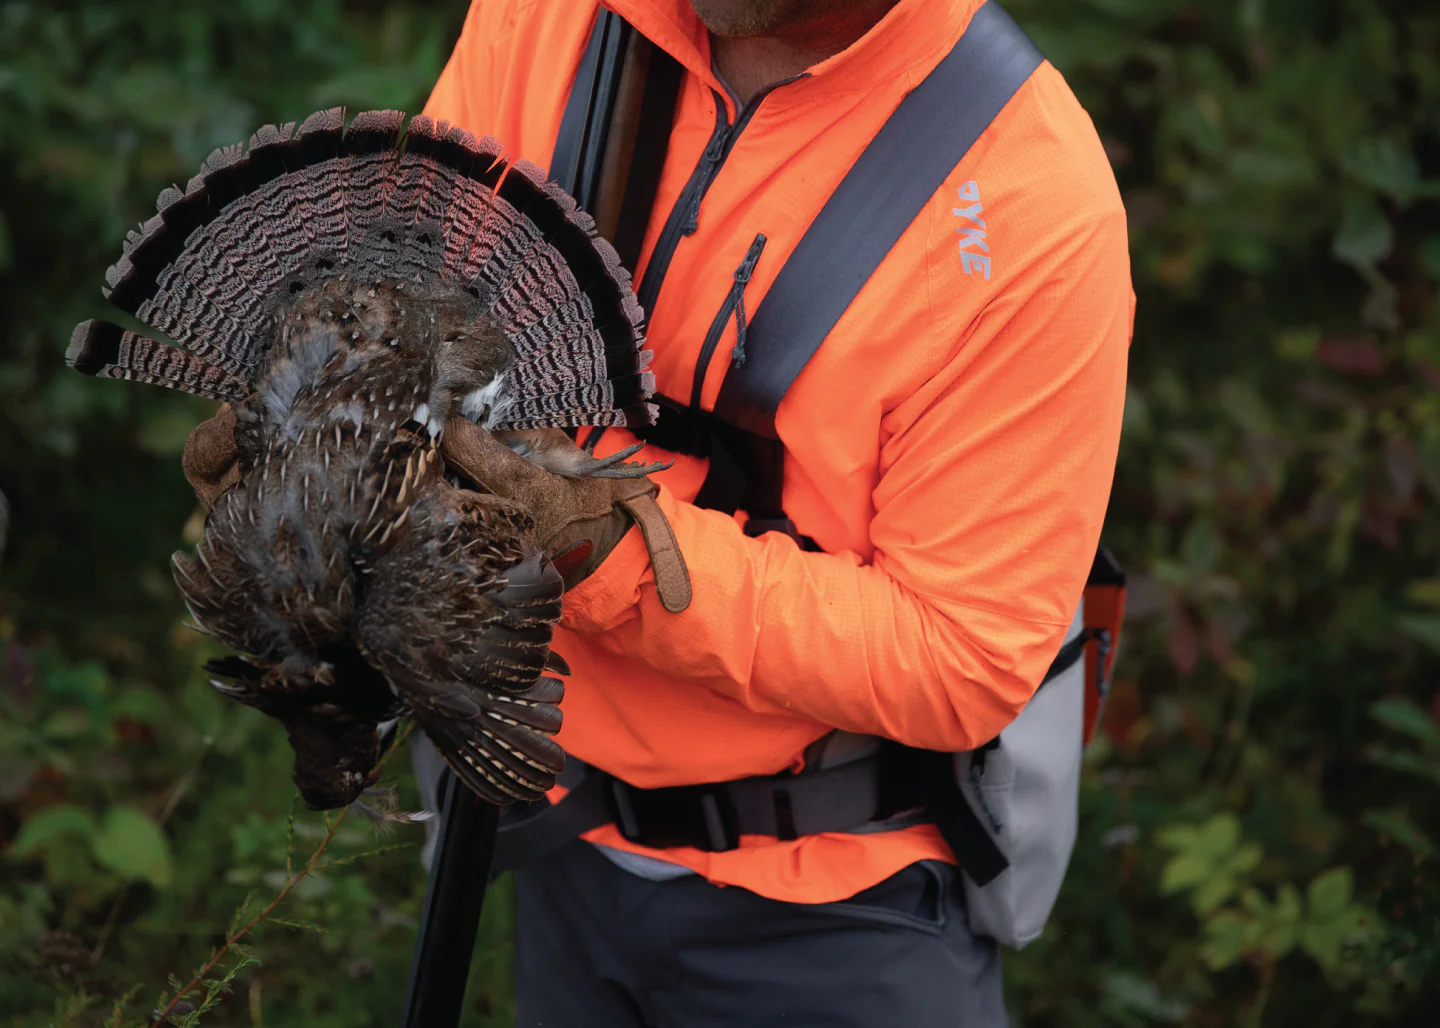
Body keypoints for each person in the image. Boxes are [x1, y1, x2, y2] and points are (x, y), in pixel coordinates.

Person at [186, 0, 1131, 1022]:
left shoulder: (1030, 203)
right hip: (550, 830)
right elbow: (419, 297)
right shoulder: (551, 18)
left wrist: (610, 553)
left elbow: (959, 655)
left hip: (836, 910)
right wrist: (318, 451)